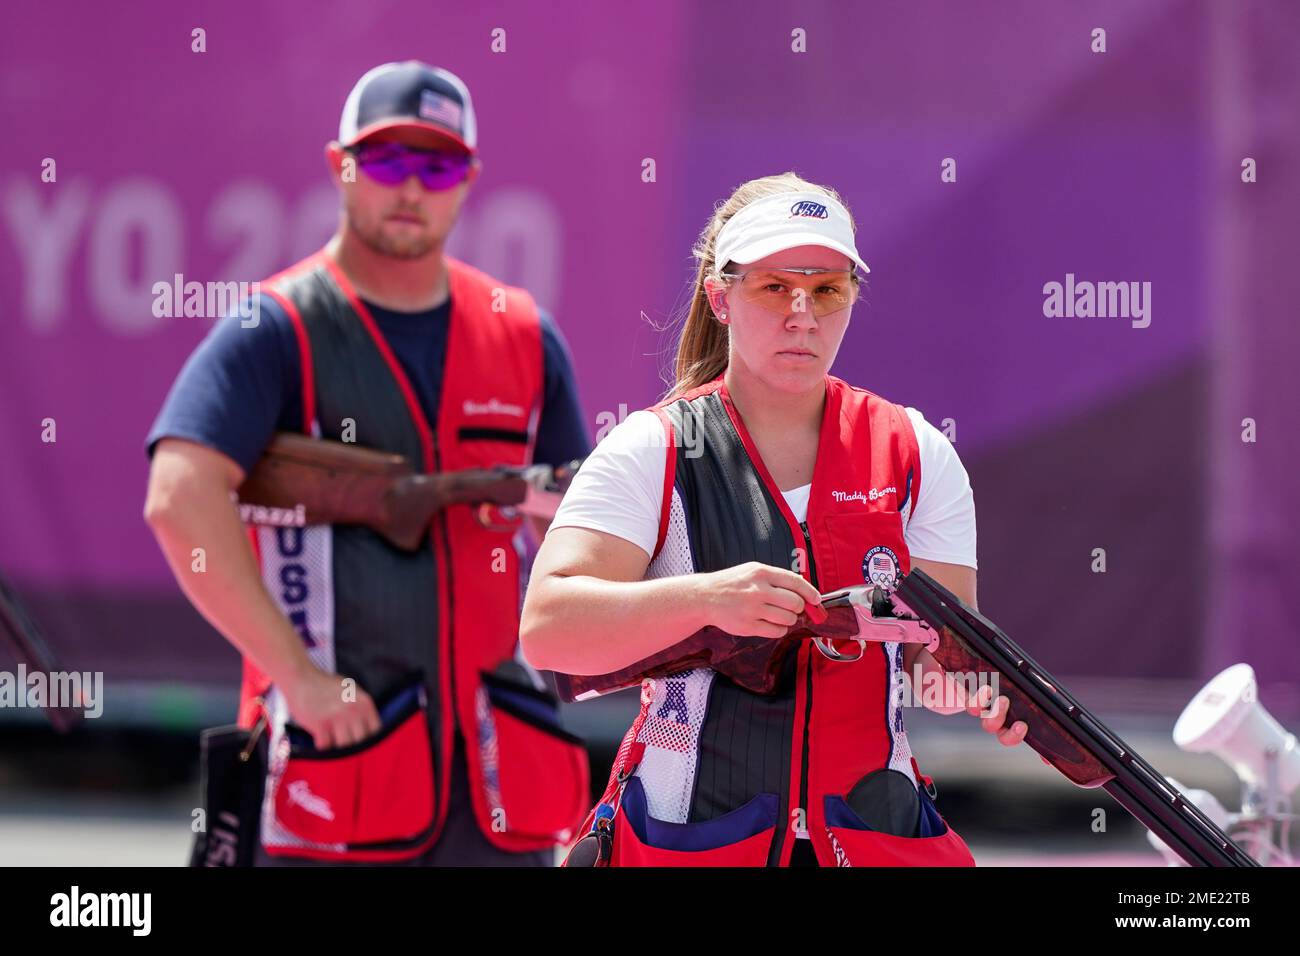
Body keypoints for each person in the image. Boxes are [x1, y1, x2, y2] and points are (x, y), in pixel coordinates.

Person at [144, 61, 591, 866]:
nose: (411, 187)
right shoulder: (275, 325)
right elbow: (178, 499)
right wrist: (299, 680)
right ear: (338, 166)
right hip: (334, 770)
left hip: (498, 783)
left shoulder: (522, 333)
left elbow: (591, 531)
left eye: (438, 164)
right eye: (386, 161)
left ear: (469, 180)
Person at [520, 172, 1028, 867]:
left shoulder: (916, 452)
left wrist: (956, 684)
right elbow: (547, 629)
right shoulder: (654, 447)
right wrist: (707, 598)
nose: (802, 314)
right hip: (688, 840)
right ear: (719, 297)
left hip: (870, 836)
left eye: (827, 290)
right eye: (774, 287)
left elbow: (936, 646)